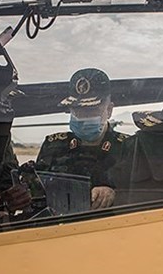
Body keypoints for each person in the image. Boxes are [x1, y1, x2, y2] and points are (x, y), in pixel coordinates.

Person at [35, 68, 129, 210]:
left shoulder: (129, 147)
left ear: (109, 110)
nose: (83, 116)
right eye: (76, 110)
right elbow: (37, 194)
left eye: (91, 110)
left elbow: (146, 196)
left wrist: (116, 194)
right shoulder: (53, 146)